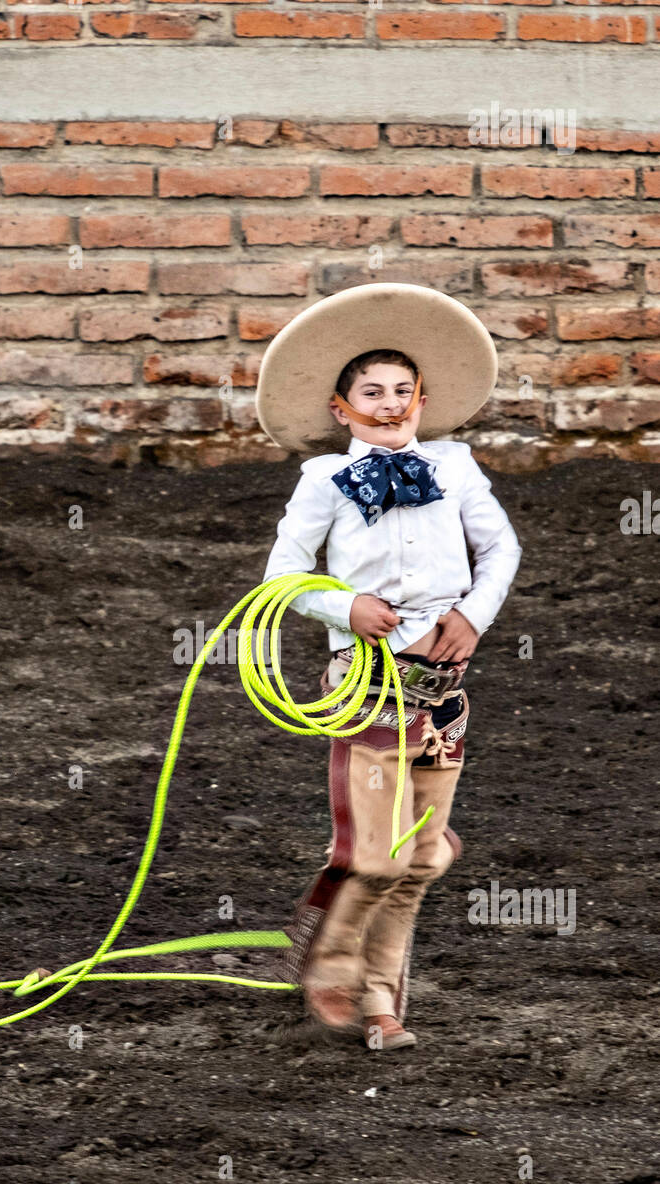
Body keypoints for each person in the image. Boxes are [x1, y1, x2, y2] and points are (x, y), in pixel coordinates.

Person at [255, 283, 521, 1052]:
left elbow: (499, 548)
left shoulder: (457, 466)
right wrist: (345, 608)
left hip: (440, 692)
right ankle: (326, 964)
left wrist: (471, 614)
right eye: (370, 392)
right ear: (342, 409)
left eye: (403, 391)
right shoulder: (323, 482)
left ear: (423, 400)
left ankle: (381, 1005)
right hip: (365, 686)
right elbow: (282, 576)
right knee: (379, 857)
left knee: (412, 868)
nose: (389, 403)